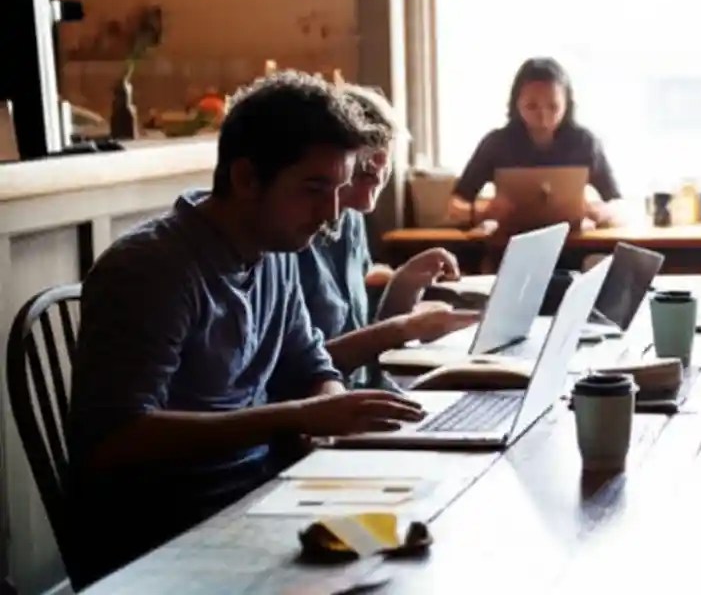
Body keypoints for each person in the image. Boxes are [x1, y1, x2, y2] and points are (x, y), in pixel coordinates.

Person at [66, 71, 428, 587]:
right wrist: (301, 415)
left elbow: (311, 365)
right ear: (246, 179)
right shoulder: (151, 269)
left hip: (260, 499)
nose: (331, 214)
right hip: (168, 534)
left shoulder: (275, 249)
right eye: (313, 188)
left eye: (339, 189)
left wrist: (328, 414)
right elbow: (114, 439)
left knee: (422, 537)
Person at [297, 84, 478, 388]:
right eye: (366, 161)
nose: (379, 171)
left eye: (386, 157)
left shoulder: (352, 220)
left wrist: (404, 284)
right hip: (327, 405)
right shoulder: (293, 233)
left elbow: (364, 340)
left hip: (365, 389)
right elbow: (302, 367)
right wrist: (404, 329)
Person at [447, 57, 623, 229]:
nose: (543, 117)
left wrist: (600, 212)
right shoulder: (496, 143)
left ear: (566, 105)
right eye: (532, 106)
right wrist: (482, 212)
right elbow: (455, 205)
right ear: (517, 104)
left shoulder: (585, 143)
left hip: (572, 243)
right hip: (509, 243)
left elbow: (618, 204)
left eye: (553, 107)